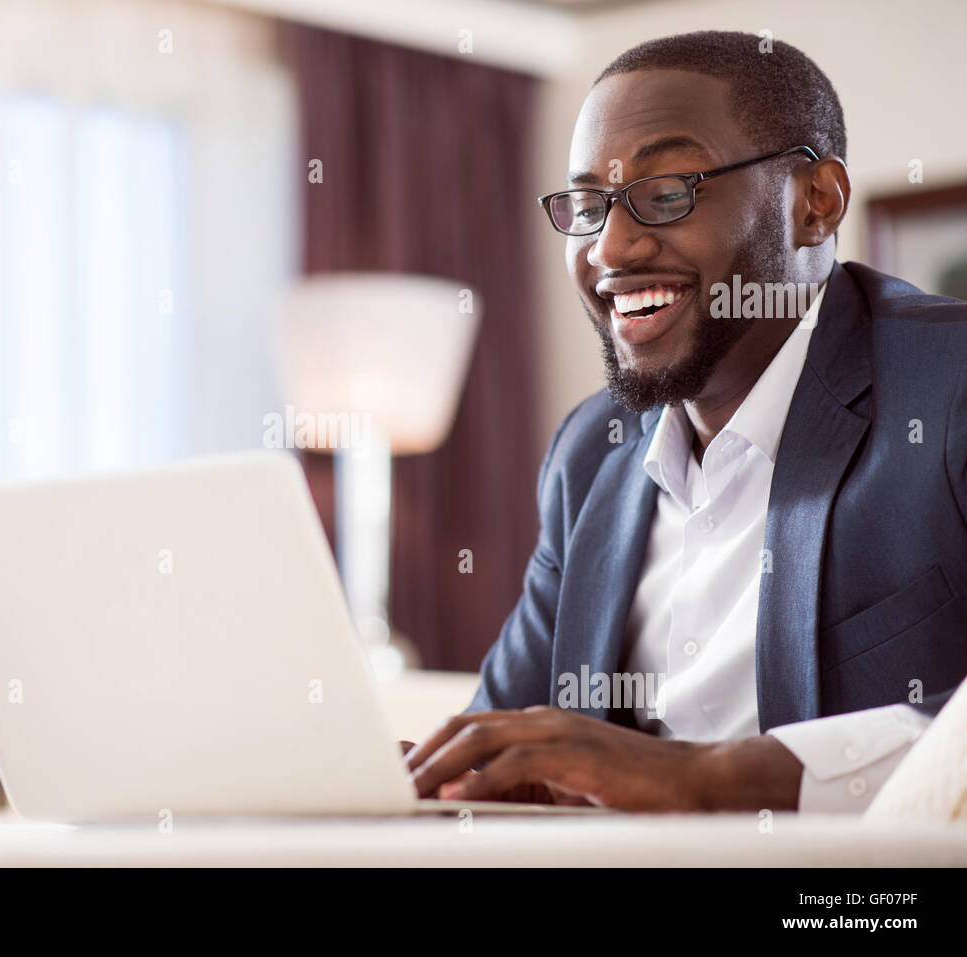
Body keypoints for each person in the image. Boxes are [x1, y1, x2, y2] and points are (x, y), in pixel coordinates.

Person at [406, 31, 967, 812]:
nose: (611, 248)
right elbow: (503, 734)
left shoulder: (949, 389)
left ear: (816, 203)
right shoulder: (587, 457)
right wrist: (433, 773)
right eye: (589, 205)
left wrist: (706, 778)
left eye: (667, 191)